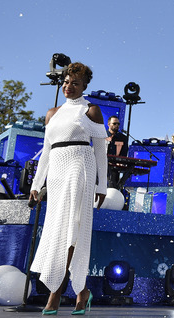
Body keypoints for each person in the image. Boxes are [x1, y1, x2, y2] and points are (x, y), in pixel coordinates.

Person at [29, 62, 108, 315]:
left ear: (84, 86)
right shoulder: (52, 113)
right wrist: (36, 184)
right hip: (56, 173)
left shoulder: (90, 110)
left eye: (75, 83)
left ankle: (55, 294)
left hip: (80, 168)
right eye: (65, 82)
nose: (68, 86)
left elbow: (100, 151)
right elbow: (46, 152)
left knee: (73, 230)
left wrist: (102, 185)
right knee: (57, 230)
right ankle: (82, 292)